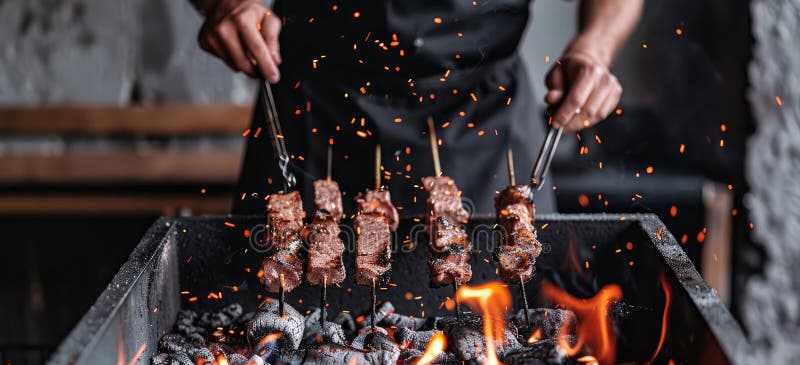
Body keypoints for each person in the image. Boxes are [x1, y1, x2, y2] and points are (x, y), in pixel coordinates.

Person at [190, 0, 642, 216]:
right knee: (268, 332)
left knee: (513, 337)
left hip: (485, 114)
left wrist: (596, 46)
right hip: (314, 108)